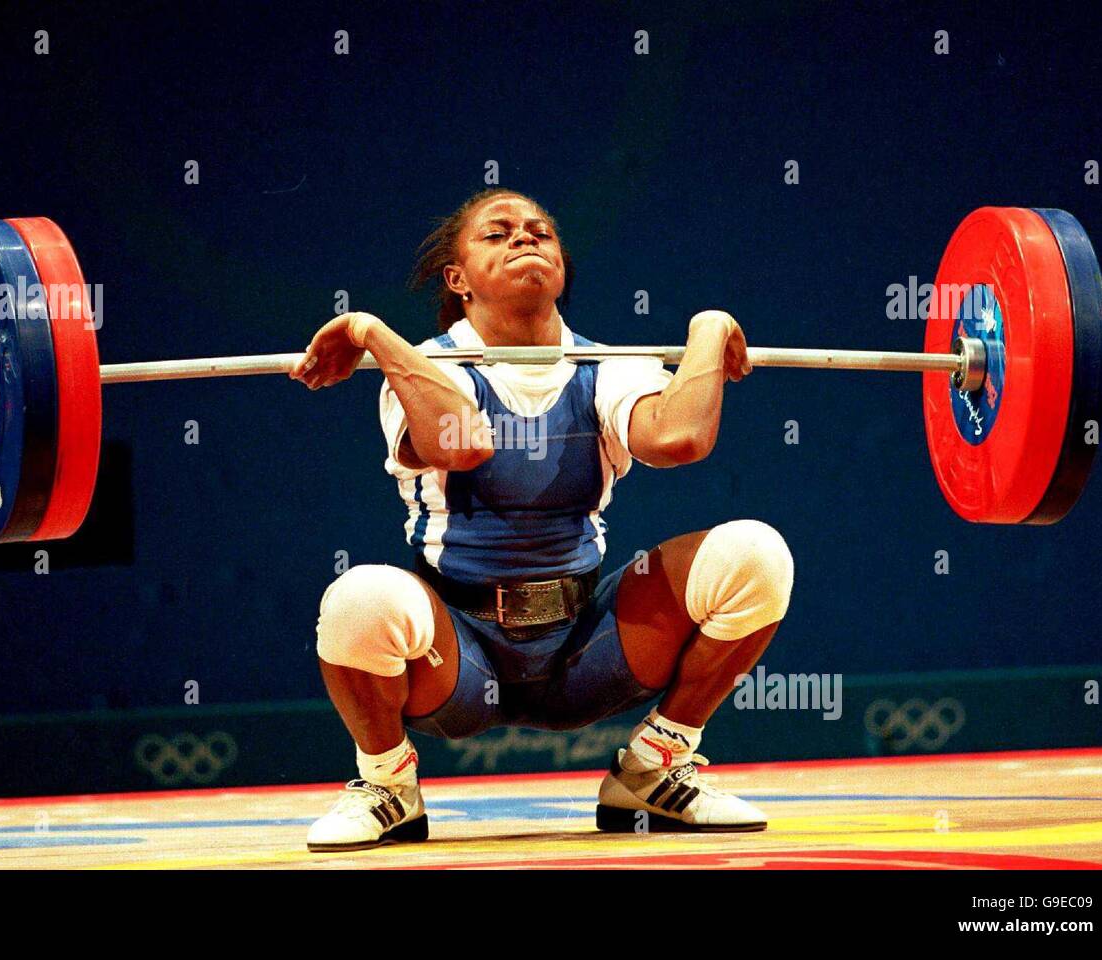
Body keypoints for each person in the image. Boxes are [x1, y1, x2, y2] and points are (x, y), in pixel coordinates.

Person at [289, 189, 793, 851]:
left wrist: (709, 328)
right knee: (359, 599)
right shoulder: (416, 369)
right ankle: (388, 784)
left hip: (585, 651)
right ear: (457, 279)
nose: (525, 238)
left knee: (757, 554)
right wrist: (370, 333)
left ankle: (655, 767)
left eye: (540, 231)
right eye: (498, 233)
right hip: (460, 662)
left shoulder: (608, 366)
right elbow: (462, 441)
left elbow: (680, 439)